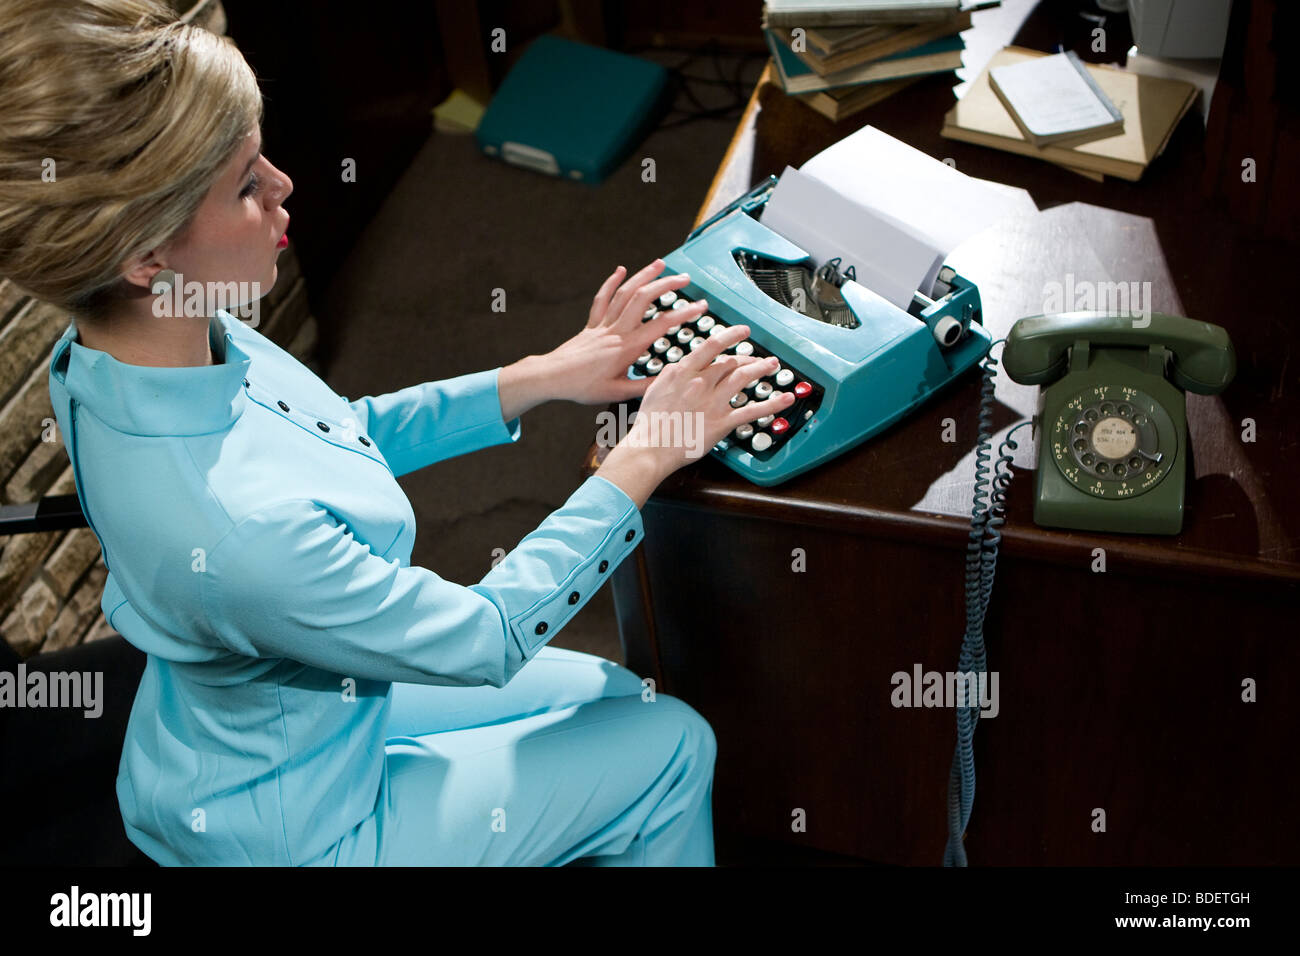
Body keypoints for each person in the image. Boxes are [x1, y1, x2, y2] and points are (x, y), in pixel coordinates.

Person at [0, 0, 795, 866]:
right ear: (145, 256)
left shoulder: (127, 350)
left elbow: (335, 435)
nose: (283, 185)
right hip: (302, 833)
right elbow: (485, 637)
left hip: (264, 729)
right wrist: (646, 452)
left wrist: (543, 377)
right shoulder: (238, 530)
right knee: (674, 746)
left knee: (612, 691)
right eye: (243, 184)